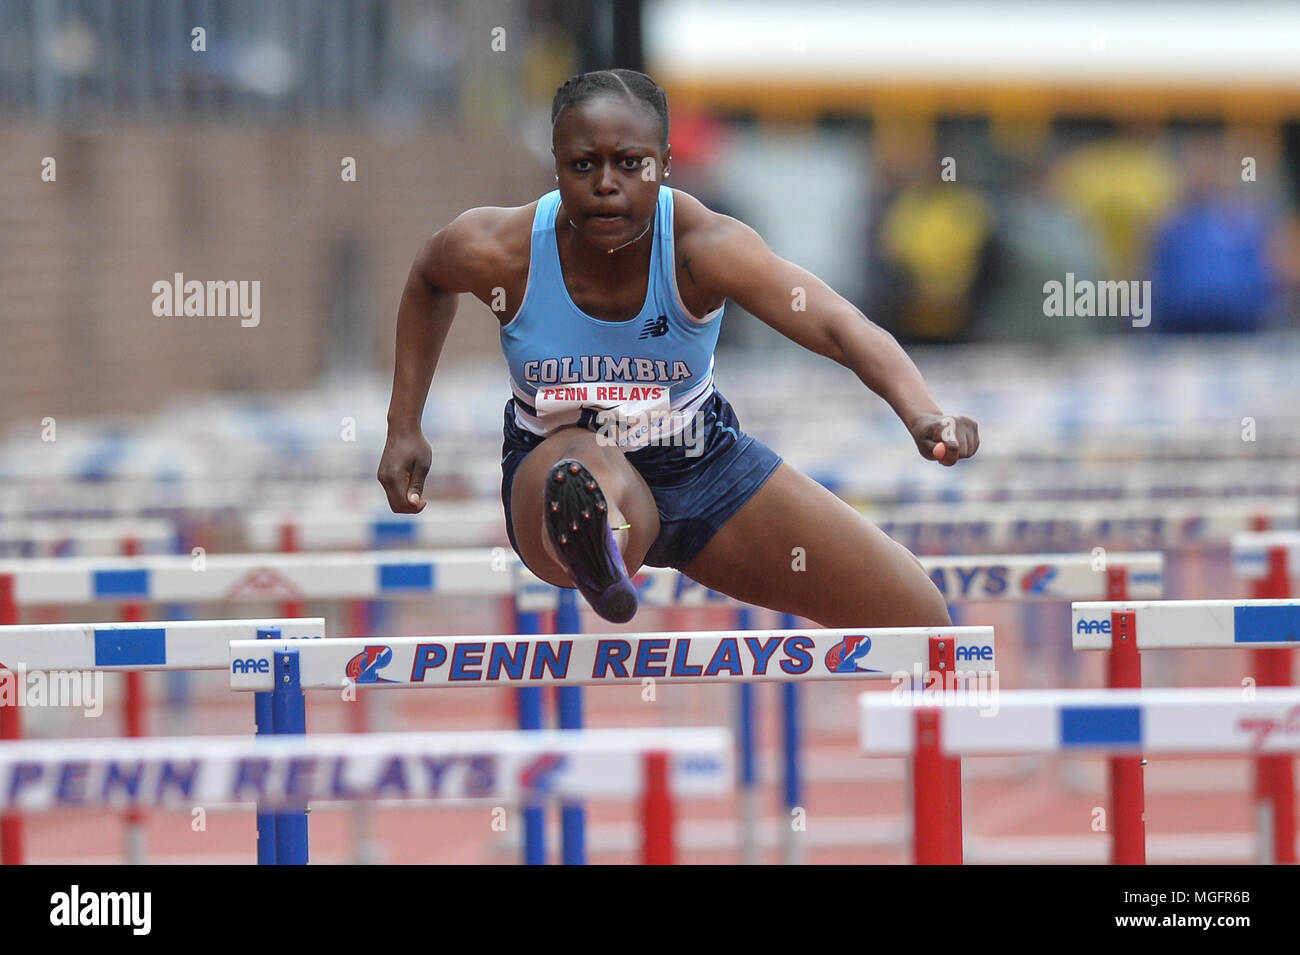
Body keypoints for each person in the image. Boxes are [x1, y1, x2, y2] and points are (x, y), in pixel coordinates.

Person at [378, 69, 978, 628]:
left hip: (702, 465)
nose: (605, 184)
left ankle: (606, 538)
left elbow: (841, 326)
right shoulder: (501, 248)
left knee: (921, 619)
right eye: (582, 165)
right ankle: (599, 541)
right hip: (551, 470)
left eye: (630, 164)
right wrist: (404, 426)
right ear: (556, 166)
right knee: (587, 462)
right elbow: (430, 277)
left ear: (665, 164)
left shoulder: (705, 247)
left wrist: (922, 412)